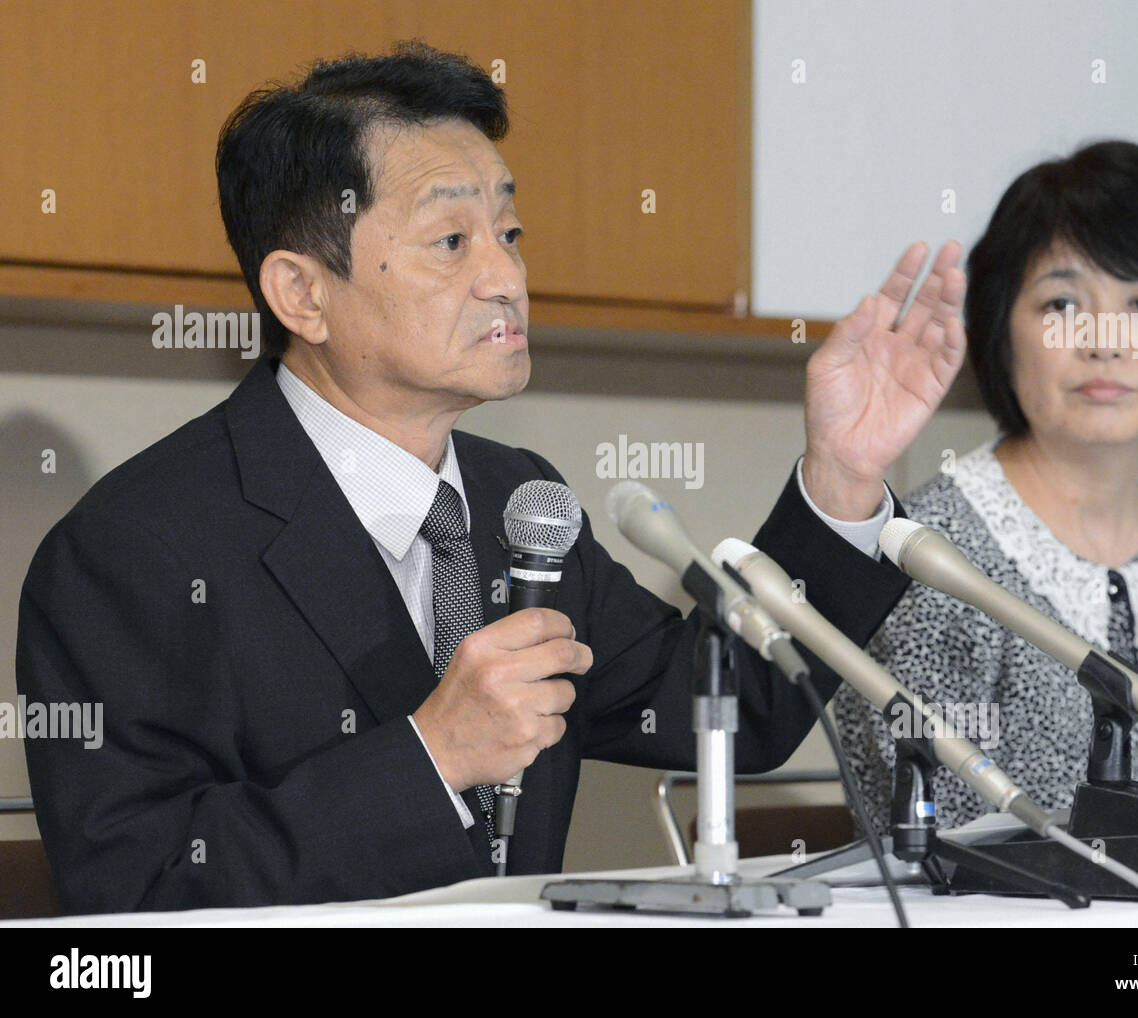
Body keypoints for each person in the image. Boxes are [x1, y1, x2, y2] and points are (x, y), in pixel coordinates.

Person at [16, 42, 968, 914]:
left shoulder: (522, 501)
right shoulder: (132, 547)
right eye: (451, 242)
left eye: (508, 233)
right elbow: (131, 886)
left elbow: (731, 711)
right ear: (302, 292)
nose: (507, 279)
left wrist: (840, 475)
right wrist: (430, 759)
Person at [834, 140, 1138, 853]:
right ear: (1000, 337)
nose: (1104, 340)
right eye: (1062, 303)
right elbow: (933, 859)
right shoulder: (926, 558)